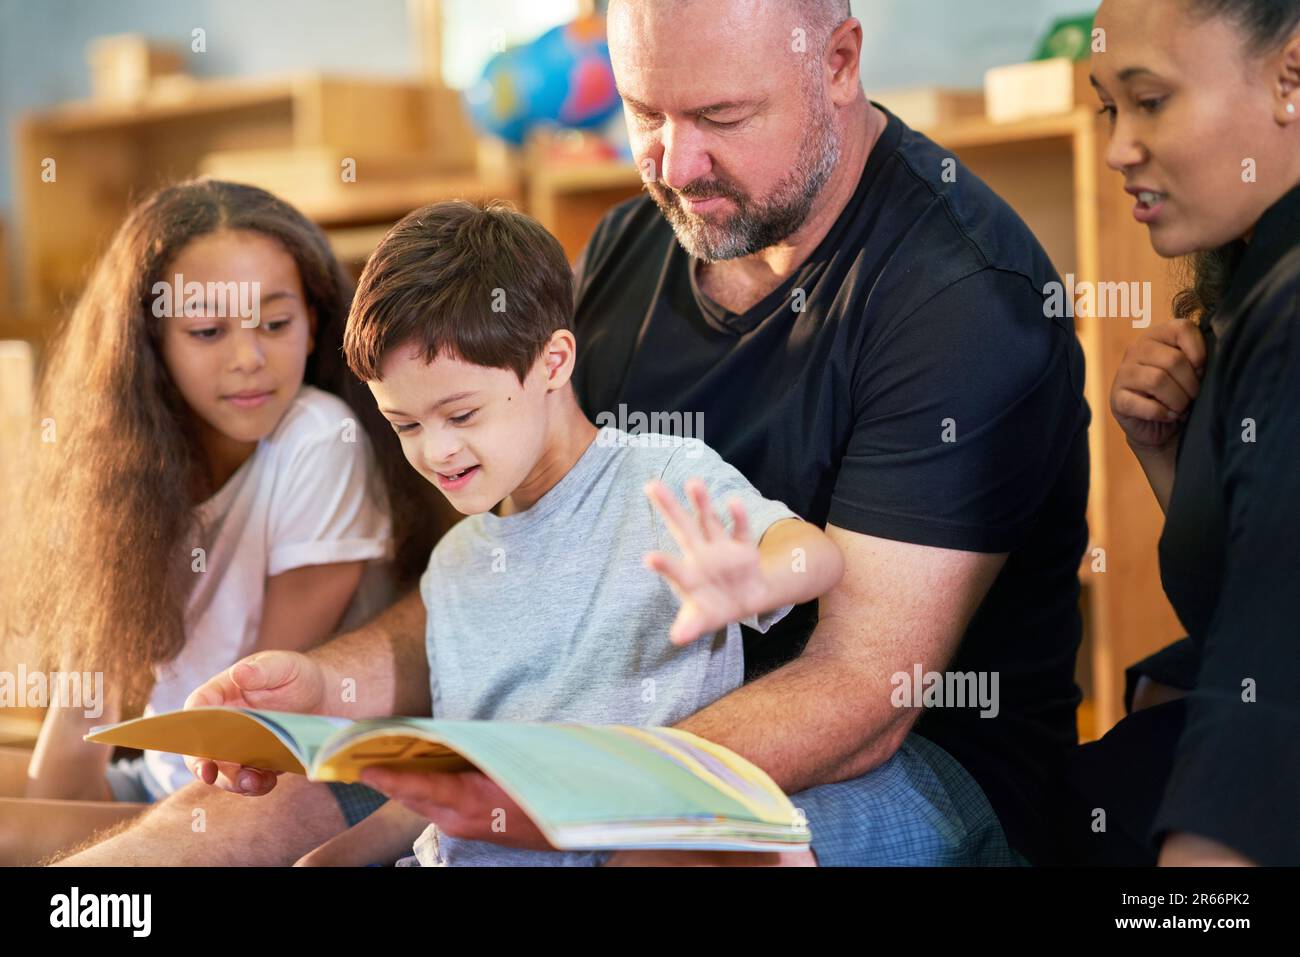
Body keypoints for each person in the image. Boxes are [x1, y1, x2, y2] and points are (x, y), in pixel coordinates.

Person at [56, 0, 1088, 867]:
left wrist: (551, 780)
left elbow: (867, 696)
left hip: (921, 758)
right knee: (279, 792)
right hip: (598, 717)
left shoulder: (957, 299)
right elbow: (516, 571)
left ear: (838, 63)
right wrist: (338, 684)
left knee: (657, 845)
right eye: (644, 112)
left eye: (721, 114)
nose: (676, 164)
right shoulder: (641, 237)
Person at [200, 199, 844, 866]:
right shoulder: (456, 564)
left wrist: (759, 579)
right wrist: (330, 858)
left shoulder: (659, 482)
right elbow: (458, 782)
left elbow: (815, 557)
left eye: (461, 413)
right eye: (407, 424)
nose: (437, 451)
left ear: (553, 362)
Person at [0, 180, 445, 865]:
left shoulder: (318, 439)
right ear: (149, 341)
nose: (248, 358)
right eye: (208, 330)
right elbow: (74, 735)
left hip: (275, 788)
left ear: (317, 319)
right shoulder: (123, 471)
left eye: (276, 323)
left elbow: (245, 741)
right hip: (161, 784)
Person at [1064, 0, 1300, 866]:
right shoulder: (1252, 284)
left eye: (1151, 100)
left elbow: (1268, 722)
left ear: (1291, 79)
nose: (1120, 146)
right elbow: (1253, 591)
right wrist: (1170, 455)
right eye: (1107, 107)